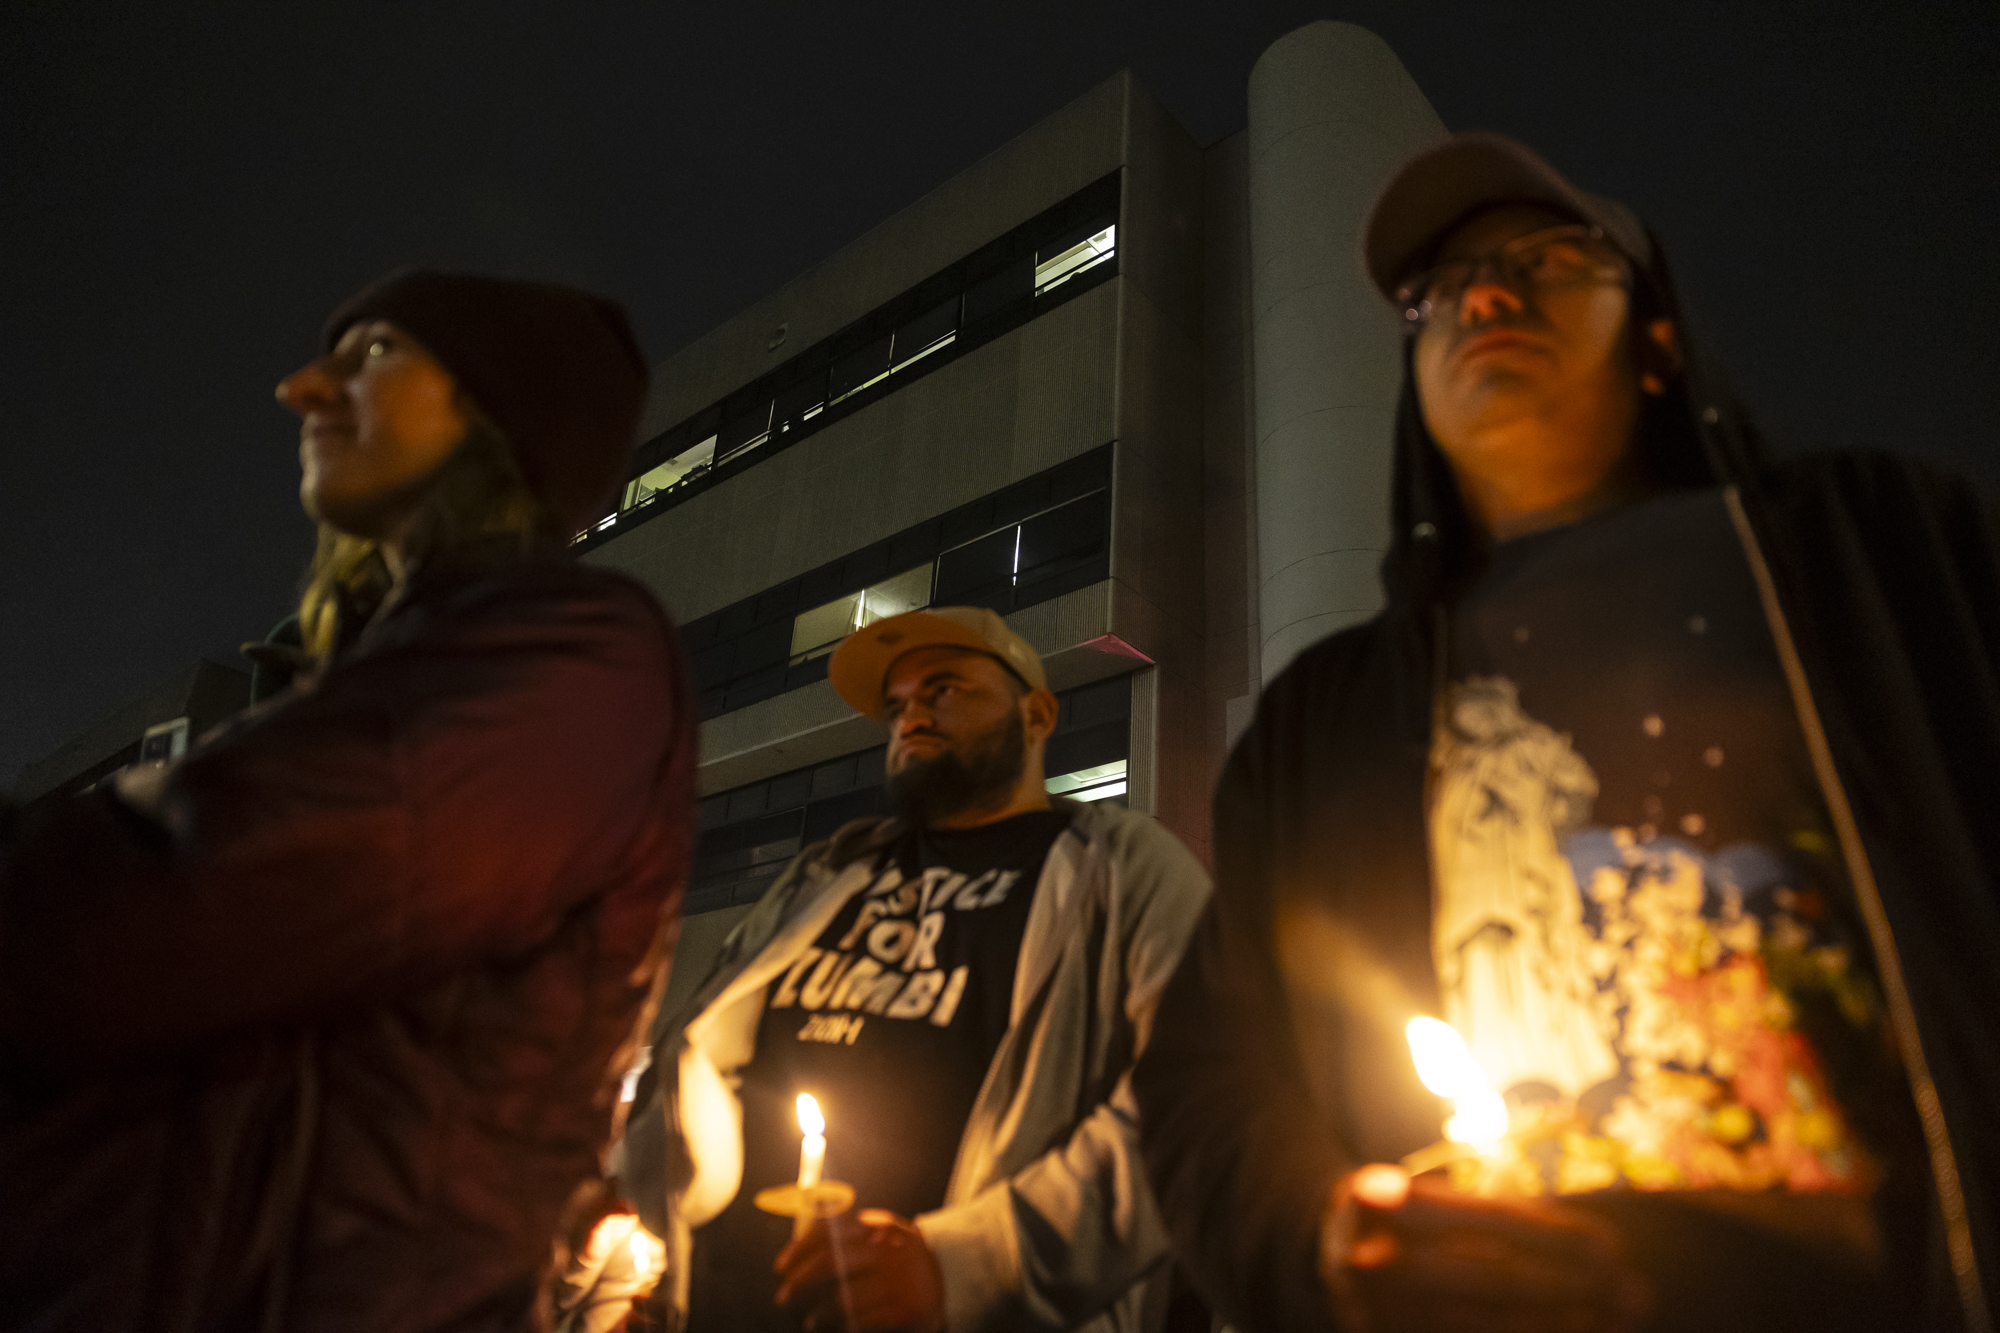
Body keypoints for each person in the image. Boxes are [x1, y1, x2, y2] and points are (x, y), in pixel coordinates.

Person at [1132, 133, 1998, 1333]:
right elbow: (1205, 1074)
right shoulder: (1326, 718)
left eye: (1543, 259)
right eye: (1436, 292)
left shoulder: (1880, 552)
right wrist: (1322, 1234)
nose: (1483, 294)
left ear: (1657, 337)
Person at [0, 269, 698, 1332]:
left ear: (498, 406)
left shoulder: (578, 656)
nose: (302, 387)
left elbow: (184, 902)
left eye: (375, 352)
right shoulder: (385, 673)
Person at [608, 607, 1211, 1332]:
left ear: (1038, 712)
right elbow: (697, 1053)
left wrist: (960, 1264)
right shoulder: (823, 876)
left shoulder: (1123, 866)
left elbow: (1193, 1095)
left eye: (946, 689)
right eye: (897, 706)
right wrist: (640, 1214)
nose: (912, 717)